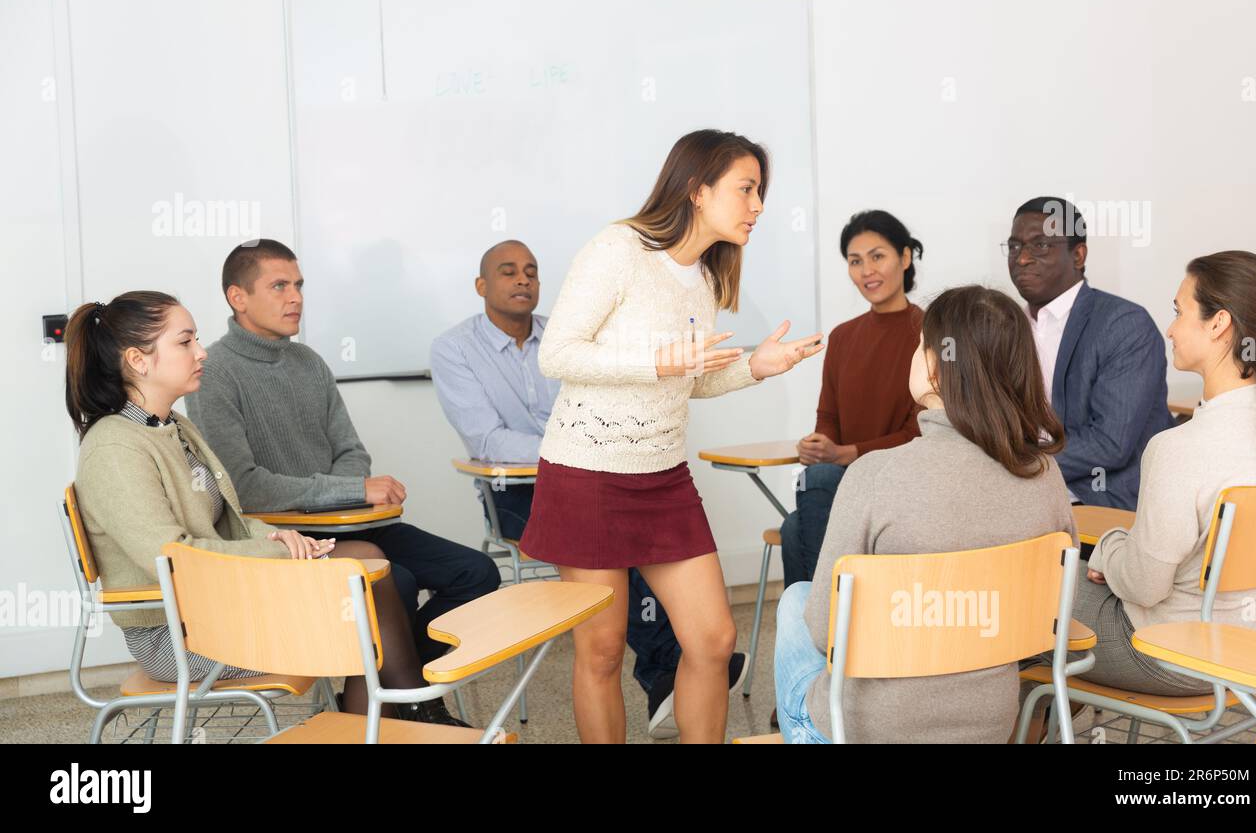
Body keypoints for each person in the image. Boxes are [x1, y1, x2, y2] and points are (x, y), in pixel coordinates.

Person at [518, 129, 824, 743]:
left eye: (760, 192)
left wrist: (751, 368)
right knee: (602, 650)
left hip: (661, 476)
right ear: (697, 189)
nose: (758, 205)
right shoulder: (619, 249)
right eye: (747, 189)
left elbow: (685, 381)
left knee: (713, 640)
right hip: (586, 472)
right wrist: (659, 361)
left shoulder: (705, 279)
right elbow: (557, 353)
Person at [66, 292, 442, 721]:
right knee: (360, 622)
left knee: (367, 565)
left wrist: (283, 537)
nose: (201, 352)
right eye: (185, 342)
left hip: (218, 603)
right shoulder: (115, 448)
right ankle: (410, 717)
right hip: (180, 635)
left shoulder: (173, 425)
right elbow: (171, 558)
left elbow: (230, 518)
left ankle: (404, 719)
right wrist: (280, 551)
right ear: (138, 359)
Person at [429, 238, 748, 739]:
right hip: (522, 492)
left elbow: (626, 393)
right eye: (508, 271)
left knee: (706, 631)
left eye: (531, 271)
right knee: (602, 643)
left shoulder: (572, 329)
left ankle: (666, 673)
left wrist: (752, 366)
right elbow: (486, 439)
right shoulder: (455, 348)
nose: (523, 280)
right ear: (481, 285)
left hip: (630, 473)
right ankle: (662, 670)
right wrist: (579, 440)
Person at [186, 239, 499, 726]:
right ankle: (418, 707)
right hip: (290, 542)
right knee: (398, 580)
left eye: (299, 285)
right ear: (237, 297)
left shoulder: (309, 363)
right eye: (279, 286)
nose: (296, 298)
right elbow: (245, 487)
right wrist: (350, 491)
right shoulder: (215, 372)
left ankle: (378, 693)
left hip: (351, 526)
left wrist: (348, 493)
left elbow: (351, 450)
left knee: (476, 573)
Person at [774, 285, 1077, 743]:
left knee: (797, 600)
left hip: (868, 728)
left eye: (920, 345)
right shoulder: (1044, 474)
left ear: (935, 367)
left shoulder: (873, 474)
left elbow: (824, 631)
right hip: (991, 724)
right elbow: (1054, 609)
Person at [1045, 251, 1256, 699]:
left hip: (1166, 654)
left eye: (1179, 312)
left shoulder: (1177, 449)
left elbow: (1143, 587)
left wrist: (1107, 550)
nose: (1170, 328)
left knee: (1024, 593)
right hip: (1244, 644)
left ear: (1219, 324)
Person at [781, 210, 926, 588]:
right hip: (845, 480)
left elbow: (922, 431)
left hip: (903, 481)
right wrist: (818, 445)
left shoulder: (930, 331)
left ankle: (822, 618)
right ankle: (823, 627)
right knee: (792, 526)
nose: (866, 271)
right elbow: (828, 414)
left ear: (905, 258)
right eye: (855, 261)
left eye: (878, 256)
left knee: (816, 488)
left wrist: (844, 454)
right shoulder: (844, 337)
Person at [1005, 197, 1171, 509]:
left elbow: (1110, 444)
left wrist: (1013, 465)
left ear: (1078, 255)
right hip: (1024, 493)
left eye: (1040, 245)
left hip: (1099, 499)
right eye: (1014, 247)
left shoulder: (1123, 324)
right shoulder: (1005, 326)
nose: (1022, 258)